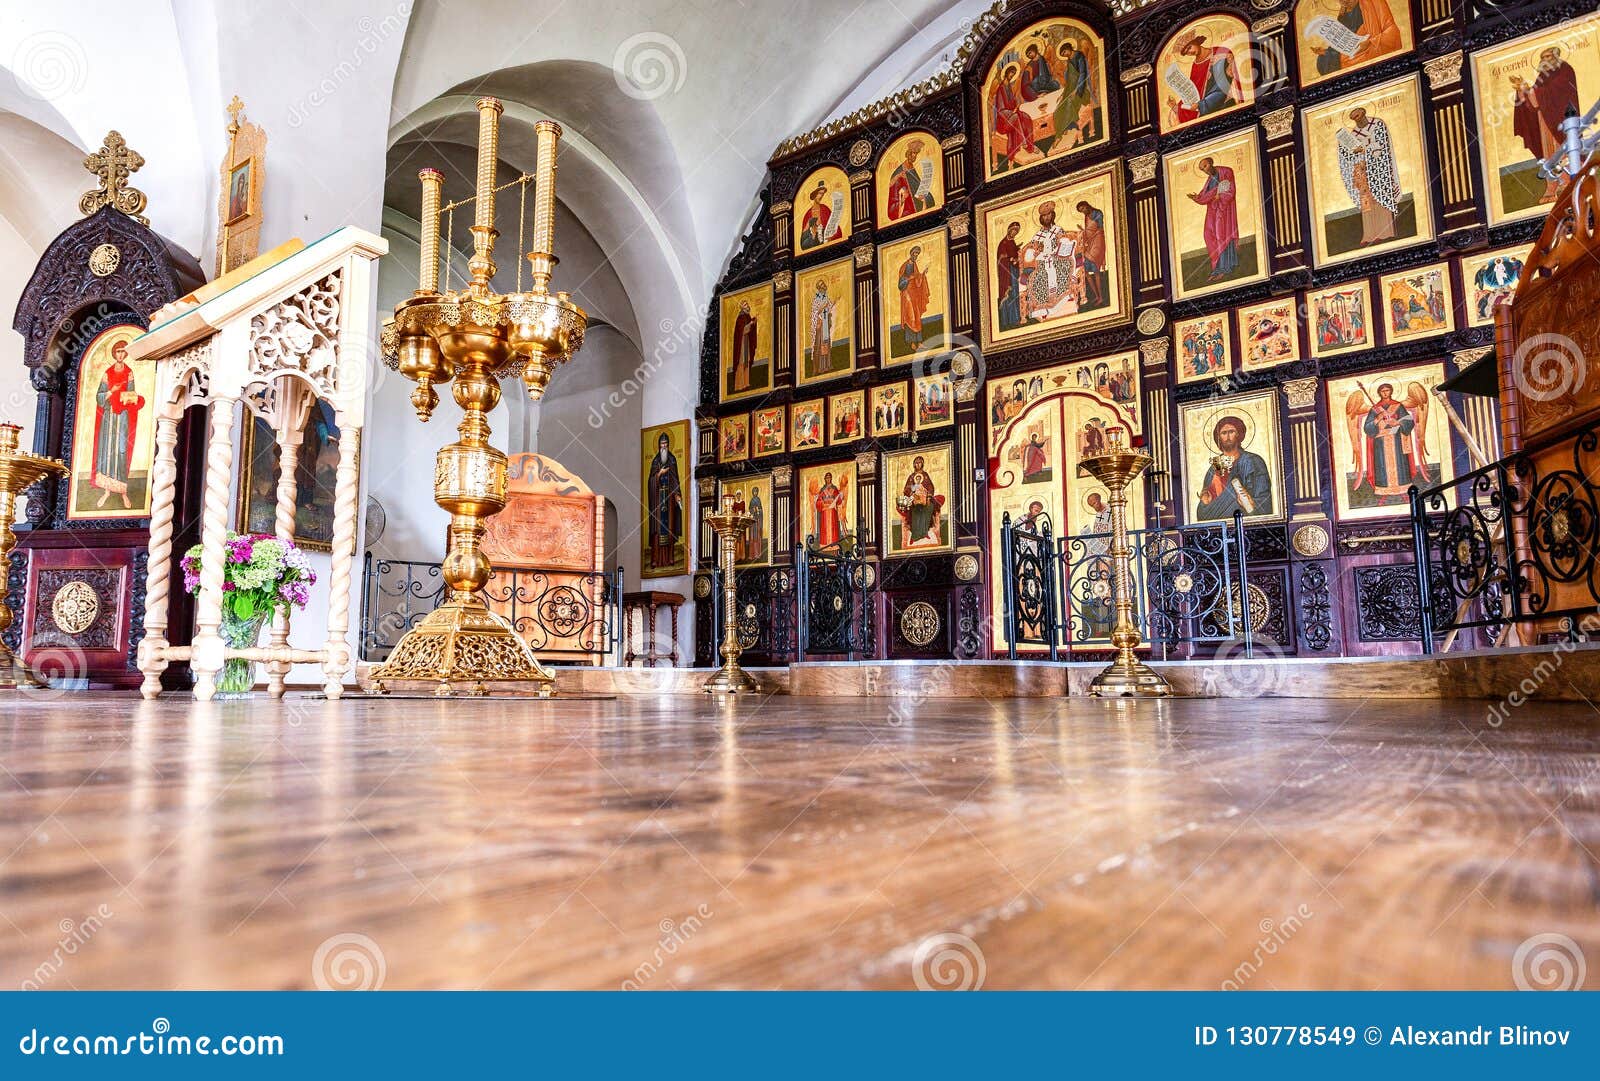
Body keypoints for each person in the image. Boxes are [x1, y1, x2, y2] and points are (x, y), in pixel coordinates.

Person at [1512, 46, 1581, 203]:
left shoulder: (1565, 70)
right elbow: (1534, 102)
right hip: (1545, 124)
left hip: (1562, 122)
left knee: (1563, 151)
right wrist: (1523, 90)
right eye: (1542, 58)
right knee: (1549, 155)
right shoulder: (1543, 76)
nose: (1544, 60)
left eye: (1548, 57)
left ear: (1556, 57)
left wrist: (1533, 93)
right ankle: (1551, 187)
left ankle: (1568, 183)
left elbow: (1558, 91)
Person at [90, 338, 145, 509]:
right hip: (109, 416)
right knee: (107, 450)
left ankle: (123, 491)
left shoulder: (129, 373)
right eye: (118, 351)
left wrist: (128, 398)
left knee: (121, 450)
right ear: (114, 354)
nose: (120, 354)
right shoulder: (107, 373)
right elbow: (99, 397)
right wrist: (111, 392)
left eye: (123, 351)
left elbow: (131, 394)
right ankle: (107, 490)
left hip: (122, 417)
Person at [1337, 107, 1399, 247]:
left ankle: (1384, 232)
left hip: (1379, 169)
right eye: (1355, 119)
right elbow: (1351, 154)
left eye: (1359, 117)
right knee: (1367, 204)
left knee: (1380, 199)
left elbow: (1382, 144)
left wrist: (1368, 148)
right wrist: (1345, 148)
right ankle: (1370, 234)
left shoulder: (1378, 124)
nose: (1358, 121)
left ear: (1364, 115)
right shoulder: (1353, 134)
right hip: (1363, 173)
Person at [1197, 415, 1273, 520]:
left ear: (1239, 434)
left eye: (1231, 431)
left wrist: (1251, 503)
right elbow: (1203, 510)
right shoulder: (1214, 468)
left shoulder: (1254, 461)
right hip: (1217, 527)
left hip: (1245, 523)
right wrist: (1205, 503)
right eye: (1224, 433)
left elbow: (1265, 500)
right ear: (1218, 437)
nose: (1228, 436)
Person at [1167, 30, 1243, 126]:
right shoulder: (1195, 65)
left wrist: (1200, 105)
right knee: (1173, 113)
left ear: (1196, 42)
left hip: (1221, 106)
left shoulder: (1220, 54)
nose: (1190, 52)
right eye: (1186, 52)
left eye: (1189, 47)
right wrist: (1176, 107)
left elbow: (1223, 87)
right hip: (1203, 108)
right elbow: (1195, 90)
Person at [1358, 383, 1420, 499]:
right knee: (1382, 465)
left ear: (1391, 391)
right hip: (1380, 444)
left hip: (1396, 440)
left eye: (1387, 390)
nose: (1385, 393)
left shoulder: (1398, 406)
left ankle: (1403, 490)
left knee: (1400, 464)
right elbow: (1367, 427)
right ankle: (1384, 492)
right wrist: (1377, 419)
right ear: (1379, 393)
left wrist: (1397, 423)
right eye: (1383, 391)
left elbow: (1409, 421)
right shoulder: (1375, 409)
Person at [1021, 200, 1079, 320]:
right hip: (1043, 261)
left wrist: (1061, 247)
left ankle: (1061, 303)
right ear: (1041, 218)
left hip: (1059, 258)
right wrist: (1038, 251)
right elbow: (1034, 251)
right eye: (1044, 216)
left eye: (1049, 215)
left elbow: (1062, 243)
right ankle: (1043, 309)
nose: (1047, 217)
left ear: (1052, 215)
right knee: (1036, 278)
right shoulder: (1038, 235)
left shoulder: (1058, 230)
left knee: (1060, 269)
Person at [1187, 156, 1239, 282]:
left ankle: (1224, 268)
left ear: (1211, 163)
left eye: (1204, 166)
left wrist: (1220, 196)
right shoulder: (1210, 180)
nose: (1204, 170)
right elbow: (1206, 195)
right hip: (1213, 210)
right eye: (1201, 169)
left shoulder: (1226, 171)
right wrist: (1197, 198)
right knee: (1208, 234)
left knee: (1221, 234)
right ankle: (1217, 267)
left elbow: (1230, 189)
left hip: (1224, 210)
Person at [990, 63, 1037, 171]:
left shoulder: (1009, 87)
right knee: (1016, 117)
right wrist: (1011, 112)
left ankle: (1029, 144)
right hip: (1003, 122)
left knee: (1025, 117)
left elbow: (1012, 103)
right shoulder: (1001, 88)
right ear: (1006, 73)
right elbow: (1001, 110)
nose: (1012, 75)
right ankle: (1025, 144)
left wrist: (1016, 106)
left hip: (1010, 115)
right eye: (1011, 73)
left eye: (1014, 73)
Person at [885, 140, 935, 220]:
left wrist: (924, 198)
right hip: (906, 210)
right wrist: (902, 196)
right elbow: (893, 197)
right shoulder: (899, 173)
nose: (914, 156)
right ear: (908, 154)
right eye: (912, 153)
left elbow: (919, 187)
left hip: (917, 208)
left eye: (916, 154)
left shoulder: (912, 169)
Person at [899, 455, 942, 548]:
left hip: (925, 499)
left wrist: (928, 496)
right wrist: (912, 493)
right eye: (916, 463)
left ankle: (924, 532)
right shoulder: (911, 477)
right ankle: (914, 536)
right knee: (915, 510)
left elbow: (931, 487)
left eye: (919, 463)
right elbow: (906, 489)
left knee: (929, 507)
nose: (918, 464)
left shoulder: (925, 475)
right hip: (914, 501)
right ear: (914, 464)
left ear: (922, 464)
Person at [897, 245, 930, 355]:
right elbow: (901, 283)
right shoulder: (905, 266)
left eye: (917, 254)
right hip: (907, 295)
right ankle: (912, 343)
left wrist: (923, 274)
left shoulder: (915, 265)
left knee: (916, 316)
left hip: (914, 294)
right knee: (909, 317)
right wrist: (909, 278)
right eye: (915, 253)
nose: (916, 255)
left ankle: (919, 342)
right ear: (911, 253)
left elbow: (917, 278)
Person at [807, 278, 838, 378]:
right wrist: (823, 307)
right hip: (819, 325)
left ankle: (827, 366)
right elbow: (815, 312)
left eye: (825, 286)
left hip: (825, 324)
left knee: (826, 345)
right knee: (819, 347)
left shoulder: (826, 298)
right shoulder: (816, 300)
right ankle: (818, 368)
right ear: (819, 288)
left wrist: (834, 302)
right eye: (823, 287)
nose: (824, 288)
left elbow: (829, 308)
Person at [996, 220, 1023, 329]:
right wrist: (1011, 259)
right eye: (1013, 231)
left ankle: (1016, 318)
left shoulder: (1012, 242)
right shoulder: (1003, 243)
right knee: (1010, 293)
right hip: (1007, 272)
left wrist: (1017, 252)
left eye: (1016, 232)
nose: (1014, 233)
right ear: (1009, 230)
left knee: (1016, 293)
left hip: (1014, 271)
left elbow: (1013, 254)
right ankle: (1010, 320)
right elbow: (1001, 259)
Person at [728, 298, 757, 394]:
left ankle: (746, 383)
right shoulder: (740, 317)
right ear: (742, 307)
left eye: (747, 304)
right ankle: (739, 384)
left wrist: (753, 323)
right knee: (741, 362)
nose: (747, 305)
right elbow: (742, 330)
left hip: (746, 342)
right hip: (741, 344)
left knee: (746, 362)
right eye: (745, 304)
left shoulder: (747, 316)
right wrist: (750, 324)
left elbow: (749, 329)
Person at [812, 471, 848, 549]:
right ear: (825, 479)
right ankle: (824, 545)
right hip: (825, 511)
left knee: (833, 527)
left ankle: (834, 545)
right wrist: (822, 502)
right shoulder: (822, 490)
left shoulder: (834, 489)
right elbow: (818, 502)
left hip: (832, 511)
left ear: (831, 478)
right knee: (824, 528)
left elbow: (838, 501)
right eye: (827, 478)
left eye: (829, 477)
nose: (828, 479)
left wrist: (839, 498)